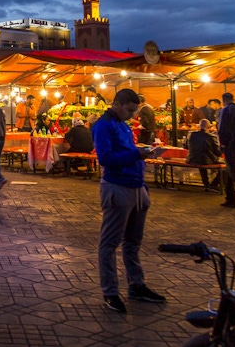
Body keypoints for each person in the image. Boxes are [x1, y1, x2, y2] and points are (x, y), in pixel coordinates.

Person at [93, 88, 165, 314]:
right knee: (109, 243)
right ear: (117, 104)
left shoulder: (123, 125)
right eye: (130, 110)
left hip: (136, 186)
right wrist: (137, 155)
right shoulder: (104, 125)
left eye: (135, 111)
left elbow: (127, 150)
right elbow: (105, 158)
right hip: (118, 187)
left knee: (133, 241)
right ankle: (110, 292)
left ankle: (137, 285)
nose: (133, 115)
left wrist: (142, 155)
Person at [185, 119, 222, 191]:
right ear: (208, 127)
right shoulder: (211, 136)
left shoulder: (191, 135)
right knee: (226, 168)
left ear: (199, 126)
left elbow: (186, 146)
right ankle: (213, 185)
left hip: (192, 159)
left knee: (201, 159)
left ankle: (206, 184)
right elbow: (218, 152)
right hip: (206, 160)